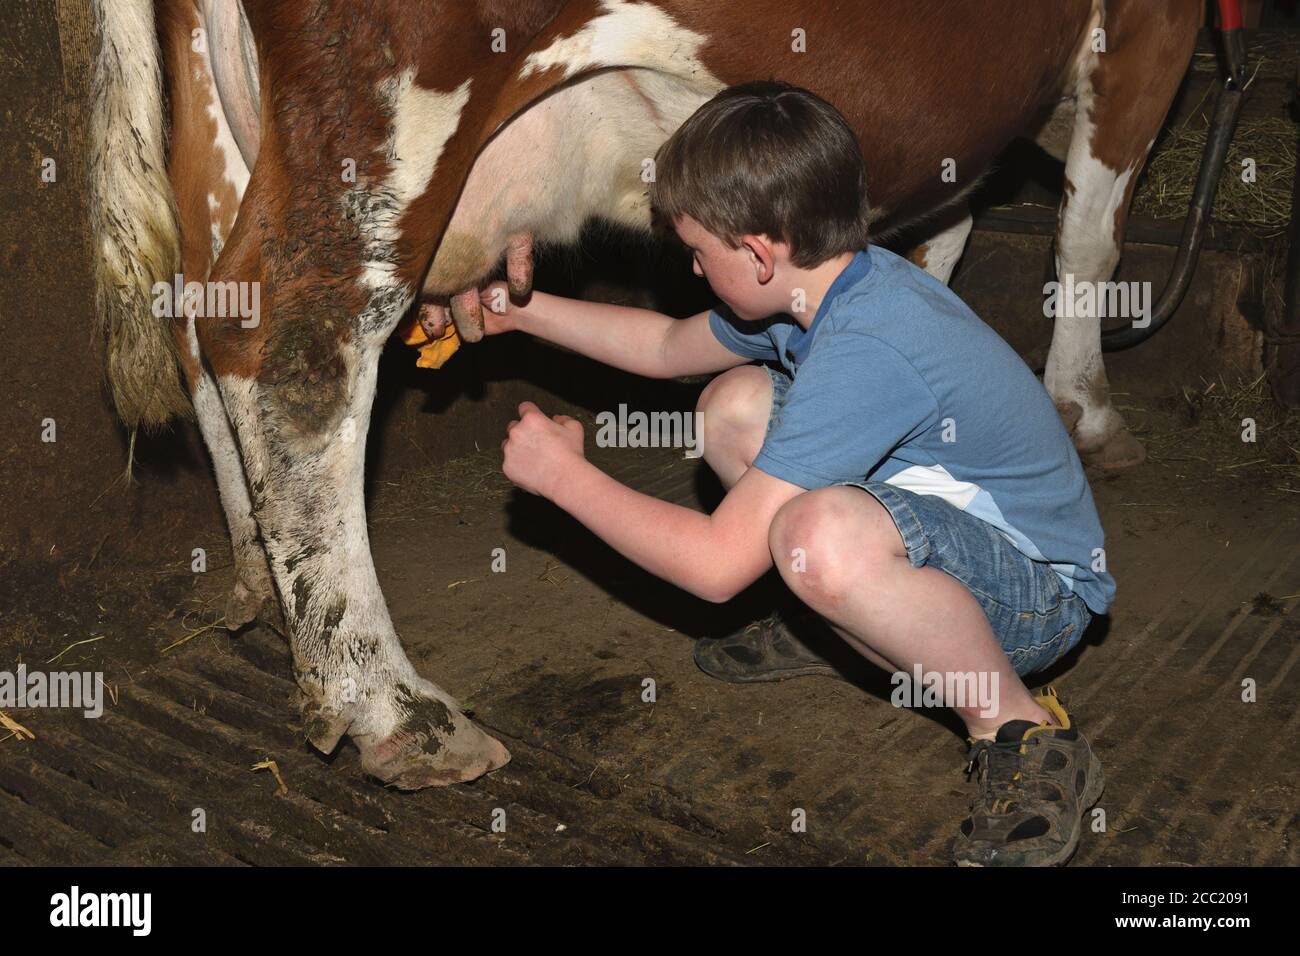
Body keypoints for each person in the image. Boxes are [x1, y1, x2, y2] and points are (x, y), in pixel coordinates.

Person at [480, 80, 1113, 866]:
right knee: (732, 404)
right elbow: (664, 347)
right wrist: (516, 310)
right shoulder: (820, 286)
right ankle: (839, 618)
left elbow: (713, 570)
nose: (692, 268)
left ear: (755, 252)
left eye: (698, 253)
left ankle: (1021, 732)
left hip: (1036, 598)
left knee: (816, 538)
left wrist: (563, 478)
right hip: (948, 535)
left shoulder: (867, 346)